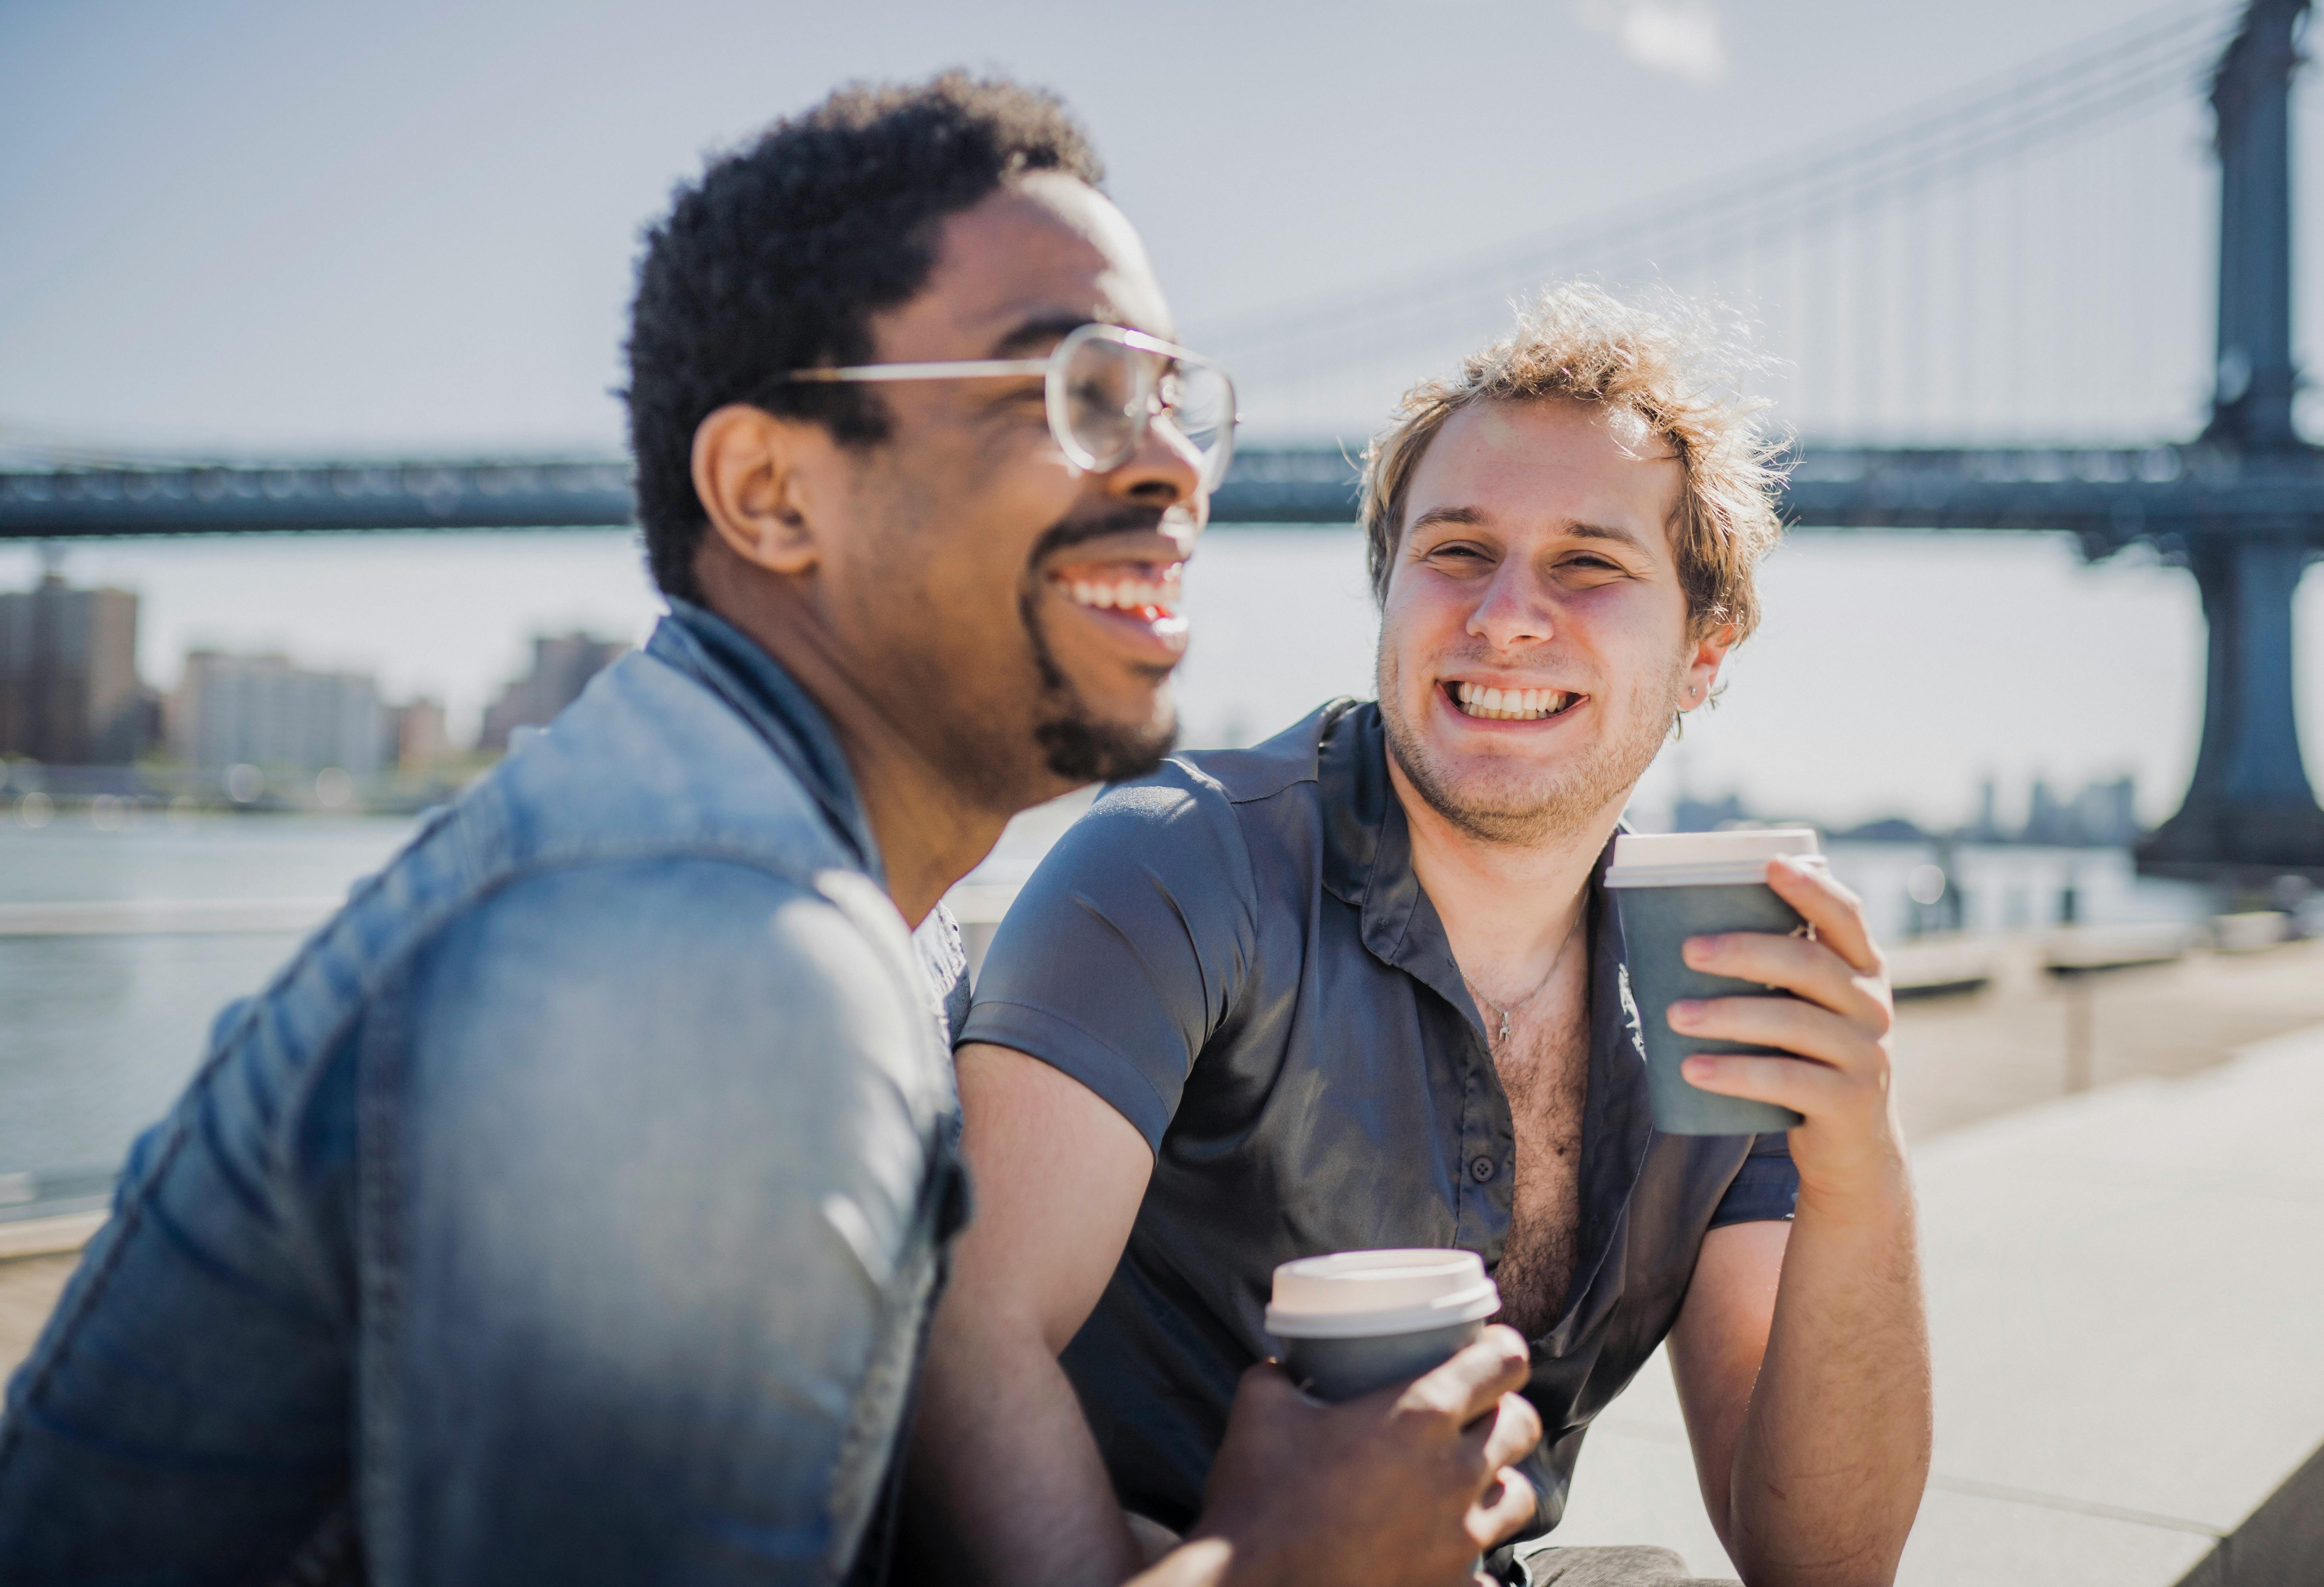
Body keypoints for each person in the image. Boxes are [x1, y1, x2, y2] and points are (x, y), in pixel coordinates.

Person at [0, 76, 1543, 1585]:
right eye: (1067, 387)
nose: (1171, 470)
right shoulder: (713, 964)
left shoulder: (816, 871)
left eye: (1168, 400)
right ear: (767, 490)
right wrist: (1275, 1565)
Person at [913, 284, 1933, 1587]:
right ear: (1387, 592)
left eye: (1590, 564)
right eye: (1455, 551)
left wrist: (1863, 1170)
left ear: (1705, 652)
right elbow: (969, 1343)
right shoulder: (1177, 864)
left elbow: (1823, 1564)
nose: (1506, 615)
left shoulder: (1721, 978)